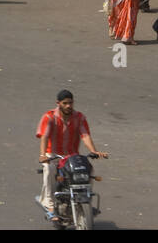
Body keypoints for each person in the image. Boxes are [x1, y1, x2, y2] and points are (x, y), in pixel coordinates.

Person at [36, 90, 108, 218]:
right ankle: (49, 204)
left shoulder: (79, 117)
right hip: (53, 155)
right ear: (58, 103)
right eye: (65, 103)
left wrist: (94, 151)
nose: (68, 106)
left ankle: (85, 199)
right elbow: (44, 137)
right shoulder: (49, 117)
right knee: (49, 169)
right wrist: (43, 155)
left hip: (72, 156)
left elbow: (85, 135)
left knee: (88, 169)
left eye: (70, 103)